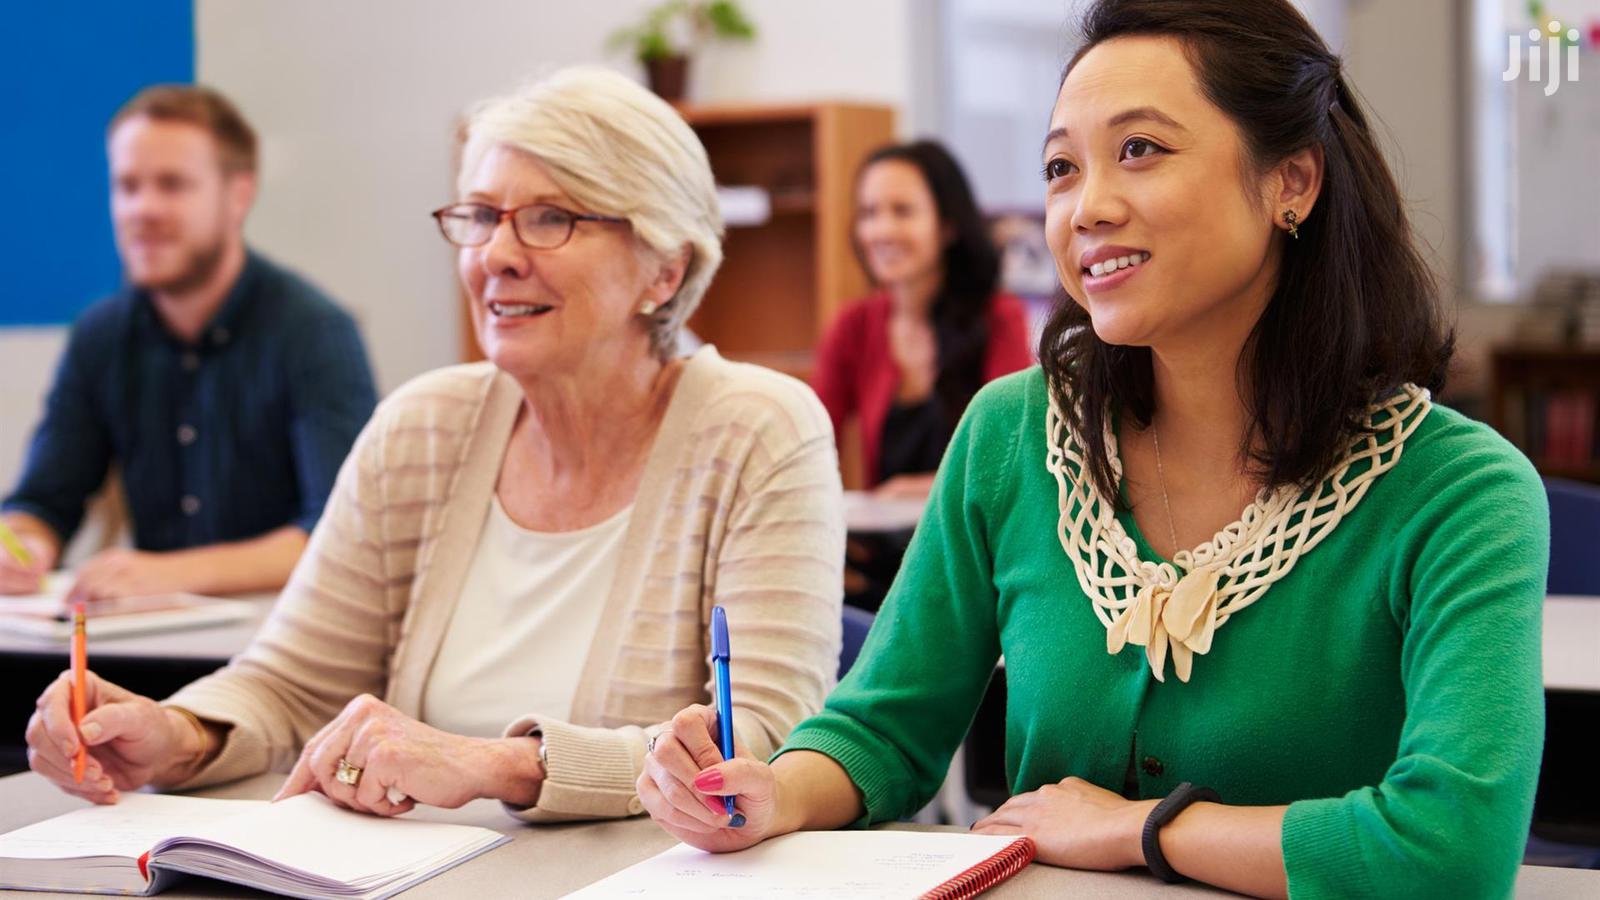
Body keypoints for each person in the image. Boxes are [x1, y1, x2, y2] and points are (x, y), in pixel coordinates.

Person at [636, 2, 1547, 897]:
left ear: (1292, 181)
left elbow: (1450, 850)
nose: (1087, 208)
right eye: (1061, 167)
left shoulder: (1462, 492)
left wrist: (1138, 830)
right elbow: (884, 728)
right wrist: (770, 793)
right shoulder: (1013, 433)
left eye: (1140, 150)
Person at [24, 67, 844, 823]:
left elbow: (760, 745)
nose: (495, 255)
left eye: (551, 218)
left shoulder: (759, 430)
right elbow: (291, 681)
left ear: (665, 268)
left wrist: (499, 766)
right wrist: (177, 733)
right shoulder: (424, 426)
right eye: (482, 215)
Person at [0, 85, 377, 602]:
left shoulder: (314, 331)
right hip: (147, 642)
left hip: (277, 648)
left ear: (238, 195)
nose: (143, 209)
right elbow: (44, 501)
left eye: (172, 185)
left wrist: (171, 572)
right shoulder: (100, 335)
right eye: (127, 186)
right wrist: (23, 545)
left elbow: (340, 535)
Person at [811, 140, 1032, 500]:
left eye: (902, 211)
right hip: (883, 549)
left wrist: (920, 491)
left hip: (977, 540)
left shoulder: (999, 317)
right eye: (868, 213)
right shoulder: (853, 325)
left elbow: (1013, 453)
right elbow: (811, 441)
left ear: (947, 225)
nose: (881, 230)